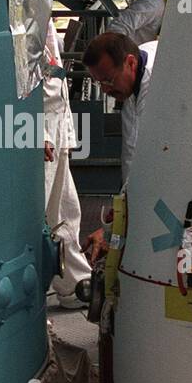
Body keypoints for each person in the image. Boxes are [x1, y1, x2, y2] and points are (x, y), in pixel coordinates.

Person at [79, 31, 157, 263]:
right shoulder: (135, 73)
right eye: (99, 83)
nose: (104, 90)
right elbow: (131, 153)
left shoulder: (155, 84)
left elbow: (145, 161)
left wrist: (113, 229)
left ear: (130, 63)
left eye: (108, 80)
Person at [42, 18, 92, 307]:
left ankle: (73, 284)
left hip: (53, 119)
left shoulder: (37, 4)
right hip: (36, 126)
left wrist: (66, 132)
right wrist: (34, 127)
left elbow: (52, 69)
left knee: (64, 208)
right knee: (39, 210)